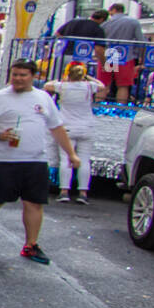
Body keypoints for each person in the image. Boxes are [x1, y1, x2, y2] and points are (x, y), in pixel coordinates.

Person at [0, 59, 81, 264]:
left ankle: (31, 245)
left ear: (33, 76)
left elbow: (56, 127)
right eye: (15, 75)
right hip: (2, 159)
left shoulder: (43, 98)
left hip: (35, 160)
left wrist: (71, 154)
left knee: (34, 202)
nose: (18, 79)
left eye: (23, 75)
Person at [43, 62, 105, 204]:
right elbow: (101, 85)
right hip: (86, 127)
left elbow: (47, 85)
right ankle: (83, 192)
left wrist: (62, 78)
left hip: (67, 127)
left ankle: (64, 191)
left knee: (65, 159)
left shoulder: (63, 87)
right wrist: (89, 77)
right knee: (84, 160)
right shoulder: (89, 86)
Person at [101, 2, 146, 103]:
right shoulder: (134, 22)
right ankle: (120, 110)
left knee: (104, 84)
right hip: (125, 56)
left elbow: (100, 40)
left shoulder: (106, 23)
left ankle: (98, 107)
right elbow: (141, 42)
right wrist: (141, 57)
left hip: (108, 54)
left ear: (114, 10)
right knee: (123, 85)